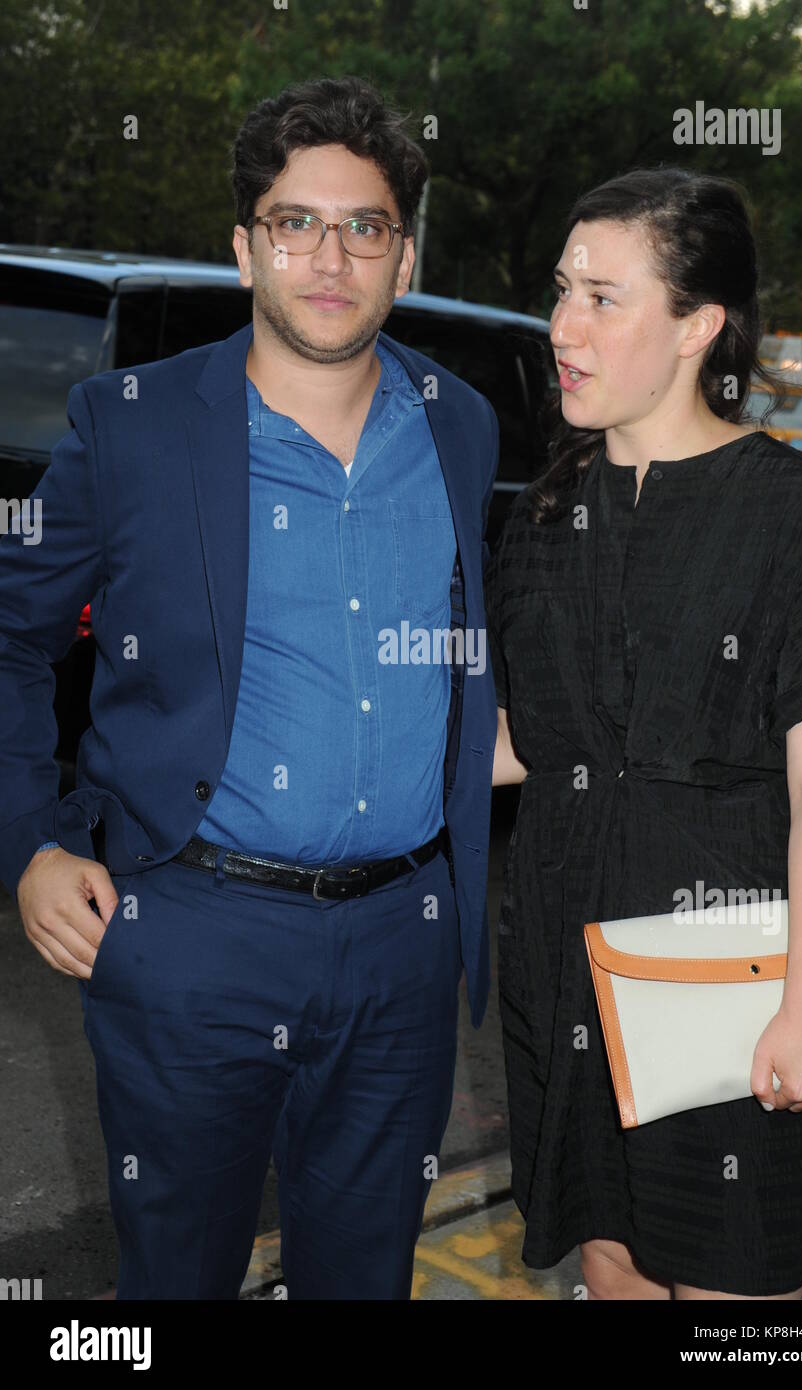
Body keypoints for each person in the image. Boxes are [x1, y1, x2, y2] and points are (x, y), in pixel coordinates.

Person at [0, 75, 499, 1300]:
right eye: (294, 222)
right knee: (173, 1280)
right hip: (191, 937)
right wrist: (28, 844)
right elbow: (8, 636)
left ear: (403, 255)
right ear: (244, 247)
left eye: (363, 226)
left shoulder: (460, 423)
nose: (328, 256)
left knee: (364, 1281)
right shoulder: (132, 426)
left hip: (402, 946)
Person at [486, 166, 802, 1301]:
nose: (562, 328)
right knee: (608, 1263)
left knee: (733, 1296)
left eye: (603, 298)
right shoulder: (542, 514)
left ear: (700, 324)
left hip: (729, 988)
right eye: (561, 291)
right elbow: (522, 743)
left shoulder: (799, 513)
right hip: (565, 969)